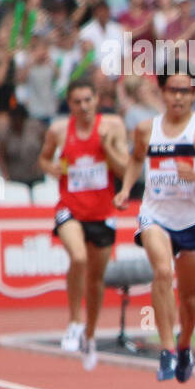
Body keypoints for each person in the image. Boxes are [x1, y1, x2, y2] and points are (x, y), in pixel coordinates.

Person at [114, 71, 195, 382]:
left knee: (191, 297)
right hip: (155, 214)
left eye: (184, 91)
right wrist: (127, 189)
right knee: (163, 273)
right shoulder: (145, 129)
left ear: (193, 94)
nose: (178, 97)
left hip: (191, 219)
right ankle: (166, 350)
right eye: (172, 91)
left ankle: (184, 345)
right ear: (162, 92)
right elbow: (136, 159)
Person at [37, 77, 129, 368]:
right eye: (77, 102)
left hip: (102, 212)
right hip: (70, 208)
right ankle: (75, 320)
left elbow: (126, 168)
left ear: (96, 99)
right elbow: (44, 159)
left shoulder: (112, 125)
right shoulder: (59, 130)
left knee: (96, 279)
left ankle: (90, 334)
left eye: (88, 100)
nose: (83, 106)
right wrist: (54, 169)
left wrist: (107, 146)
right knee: (78, 257)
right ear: (70, 104)